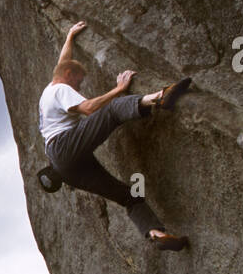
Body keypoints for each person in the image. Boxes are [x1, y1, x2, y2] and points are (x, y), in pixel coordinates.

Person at [39, 21, 191, 251]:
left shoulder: (50, 90)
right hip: (64, 146)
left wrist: (70, 37)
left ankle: (155, 233)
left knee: (129, 196)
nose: (79, 85)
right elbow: (89, 108)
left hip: (65, 168)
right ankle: (159, 97)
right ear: (68, 75)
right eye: (78, 79)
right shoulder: (60, 89)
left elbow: (62, 64)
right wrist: (118, 89)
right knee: (112, 109)